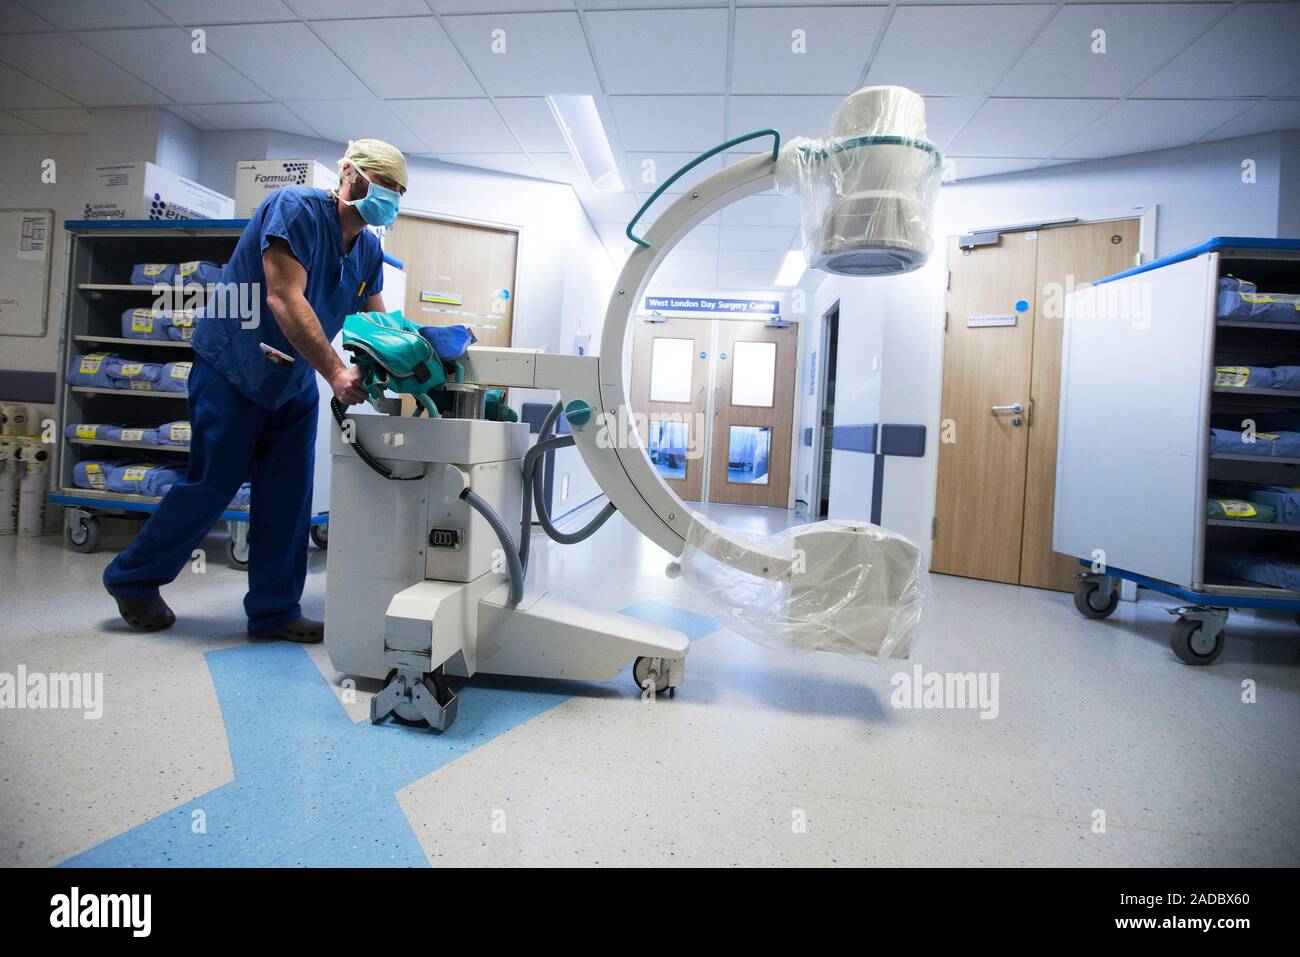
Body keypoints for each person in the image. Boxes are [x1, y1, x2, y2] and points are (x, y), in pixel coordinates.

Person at [103, 139, 408, 641]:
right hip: (234, 366)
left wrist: (417, 358)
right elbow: (284, 298)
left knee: (289, 496)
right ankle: (132, 579)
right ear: (350, 175)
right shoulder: (295, 210)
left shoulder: (369, 249)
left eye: (398, 191)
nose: (390, 197)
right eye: (383, 185)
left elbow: (376, 322)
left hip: (291, 379)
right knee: (213, 485)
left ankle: (274, 610)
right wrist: (336, 372)